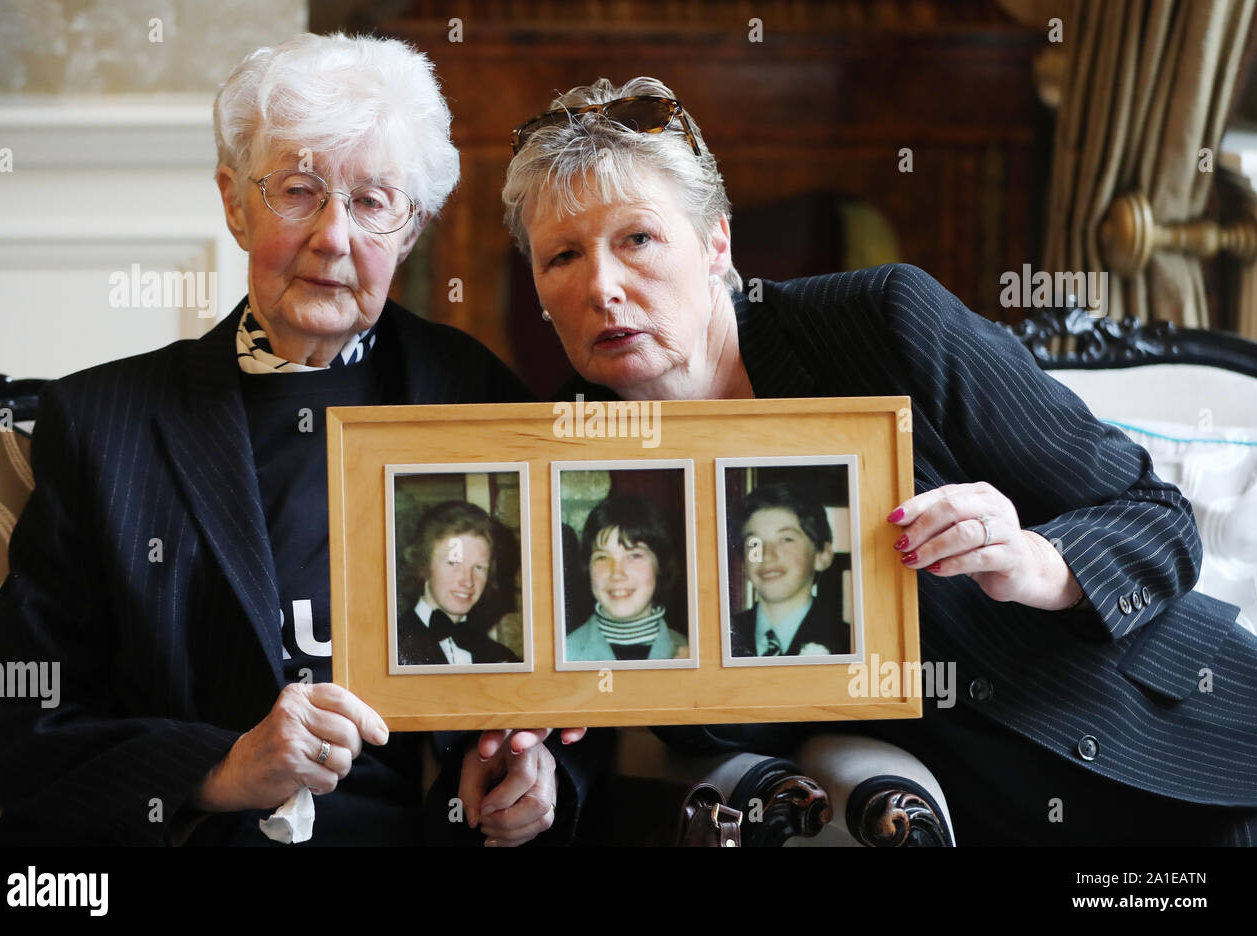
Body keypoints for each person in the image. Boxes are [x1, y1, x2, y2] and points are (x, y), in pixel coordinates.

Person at [501, 77, 1257, 844]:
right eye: (562, 255)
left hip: (1191, 749)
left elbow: (1155, 515)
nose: (602, 286)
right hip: (959, 812)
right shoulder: (563, 464)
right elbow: (674, 728)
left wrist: (1039, 561)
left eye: (637, 239)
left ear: (716, 244)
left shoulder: (882, 320)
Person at [0, 33, 598, 847]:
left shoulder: (480, 398)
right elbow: (22, 715)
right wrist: (224, 769)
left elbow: (573, 678)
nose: (334, 236)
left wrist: (538, 770)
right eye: (299, 190)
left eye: (373, 202)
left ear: (411, 230)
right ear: (235, 204)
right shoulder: (106, 423)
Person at [566, 494, 688, 661]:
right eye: (602, 557)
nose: (617, 573)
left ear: (660, 564)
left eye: (634, 555)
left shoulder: (692, 653)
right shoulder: (564, 655)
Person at [732, 484, 849, 658]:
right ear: (744, 564)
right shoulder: (720, 637)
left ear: (822, 555)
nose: (767, 555)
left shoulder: (849, 642)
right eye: (754, 543)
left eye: (786, 539)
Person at [397, 500, 519, 665]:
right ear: (424, 564)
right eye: (453, 563)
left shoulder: (500, 657)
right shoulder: (392, 643)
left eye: (478, 567)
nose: (467, 582)